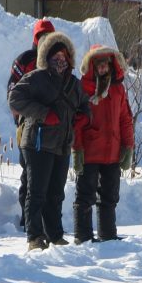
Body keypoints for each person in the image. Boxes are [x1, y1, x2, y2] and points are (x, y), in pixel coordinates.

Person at [8, 29, 87, 248]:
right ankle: (34, 237)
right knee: (37, 193)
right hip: (37, 142)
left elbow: (85, 106)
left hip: (62, 144)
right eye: (55, 57)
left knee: (56, 194)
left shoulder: (74, 83)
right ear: (46, 57)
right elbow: (14, 98)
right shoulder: (36, 77)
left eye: (63, 57)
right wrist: (44, 114)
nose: (59, 61)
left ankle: (55, 235)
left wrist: (81, 118)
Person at [71, 44, 134, 243]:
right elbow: (76, 122)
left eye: (105, 65)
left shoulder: (118, 89)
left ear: (111, 65)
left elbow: (125, 119)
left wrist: (128, 146)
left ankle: (108, 235)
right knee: (85, 196)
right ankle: (83, 237)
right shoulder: (84, 89)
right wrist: (77, 150)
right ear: (92, 66)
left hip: (113, 152)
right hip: (89, 152)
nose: (102, 68)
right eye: (98, 65)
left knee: (109, 197)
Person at [8, 18, 56, 229]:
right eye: (41, 37)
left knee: (49, 174)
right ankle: (27, 218)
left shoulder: (59, 58)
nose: (45, 40)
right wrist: (20, 118)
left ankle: (46, 218)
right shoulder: (25, 60)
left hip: (53, 127)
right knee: (29, 172)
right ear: (35, 39)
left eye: (48, 37)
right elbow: (12, 91)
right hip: (27, 125)